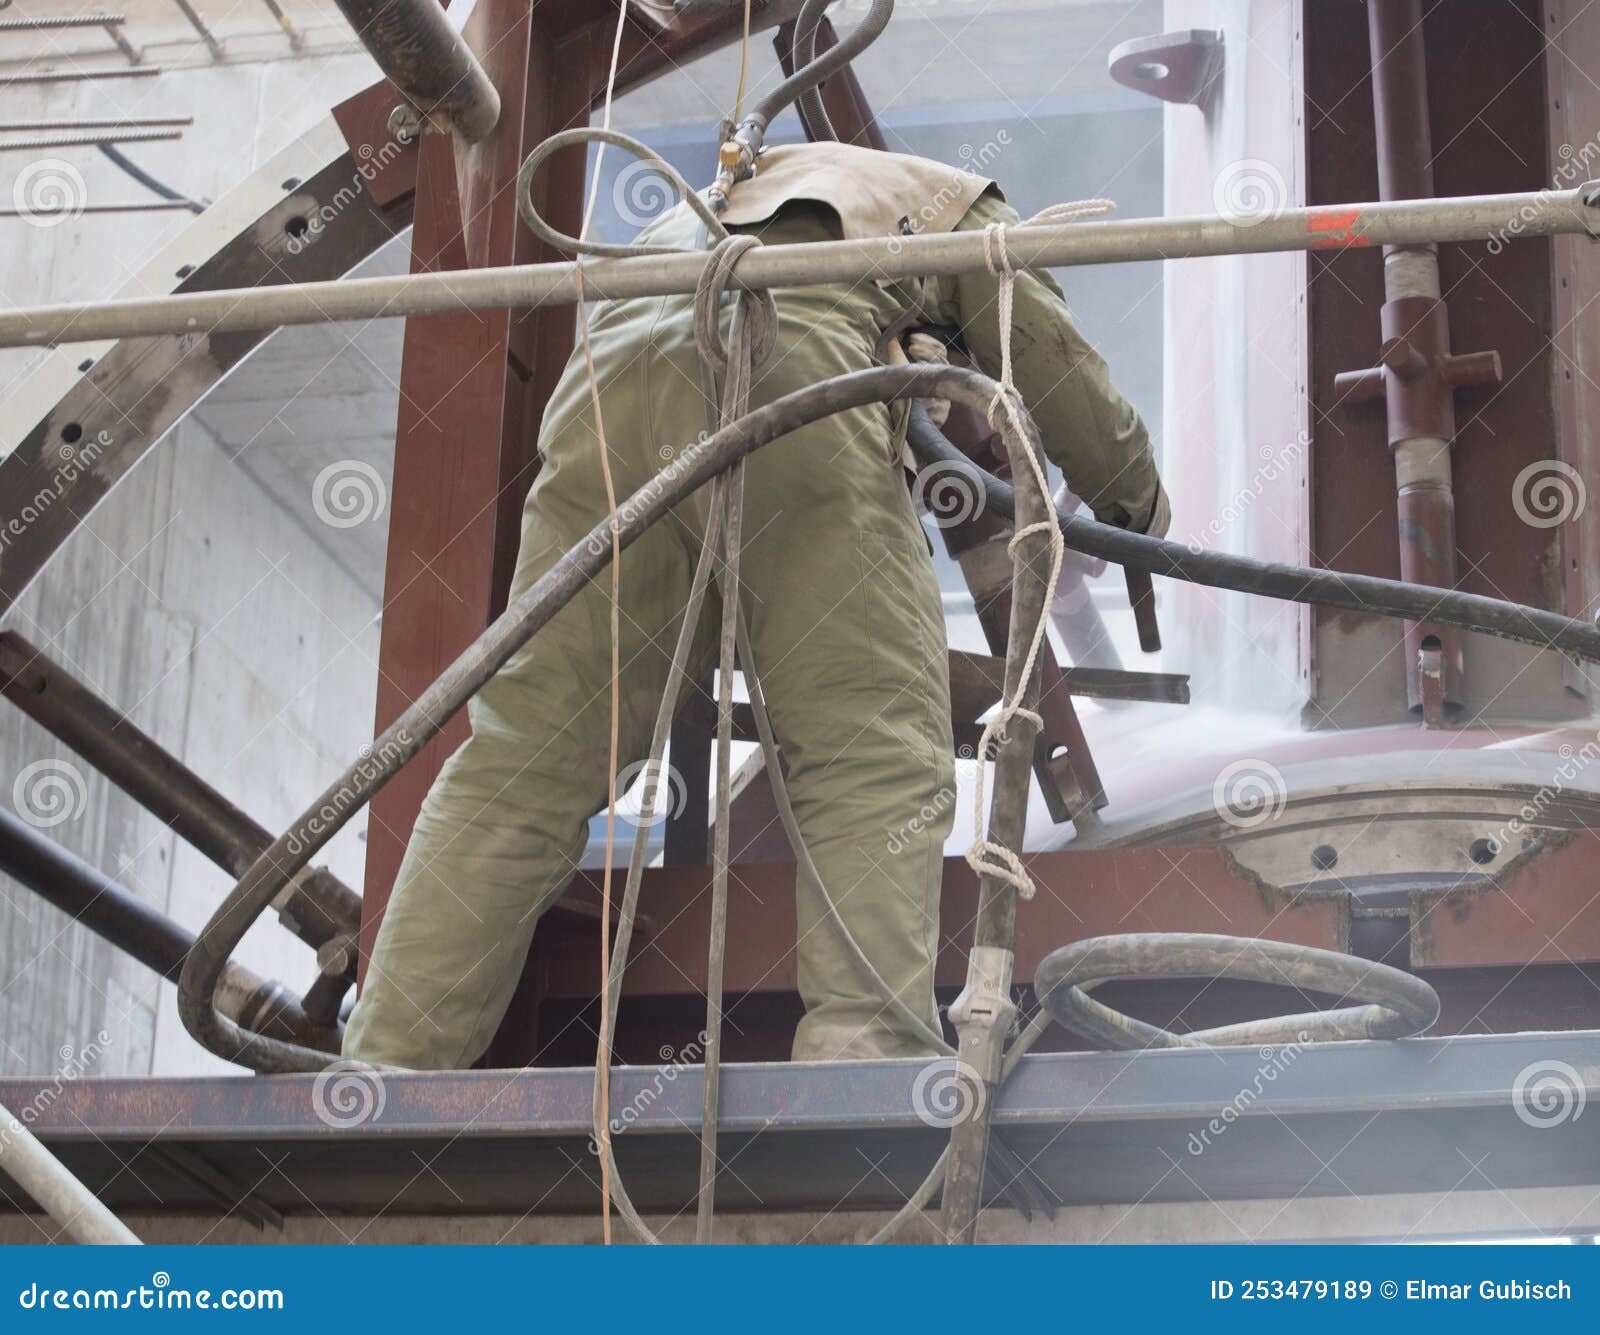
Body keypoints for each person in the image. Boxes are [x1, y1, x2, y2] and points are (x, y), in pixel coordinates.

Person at [343, 139, 1168, 1069]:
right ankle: (858, 1072)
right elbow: (1053, 364)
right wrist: (1136, 504)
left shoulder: (723, 197)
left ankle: (380, 1073)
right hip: (785, 370)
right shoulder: (958, 204)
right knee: (871, 752)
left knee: (523, 760)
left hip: (605, 410)